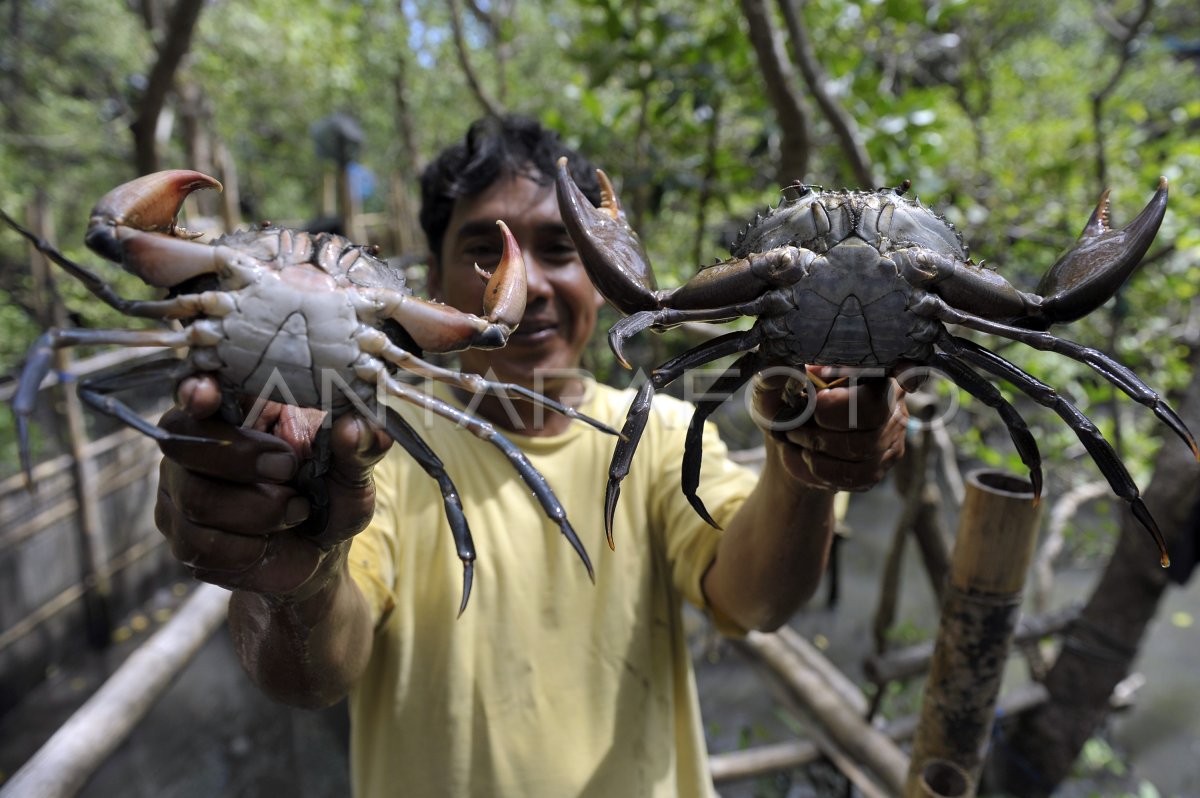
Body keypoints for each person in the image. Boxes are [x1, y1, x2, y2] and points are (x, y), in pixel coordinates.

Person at [155, 115, 908, 797]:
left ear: (605, 273)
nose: (535, 288)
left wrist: (805, 468)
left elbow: (754, 598)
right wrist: (295, 578)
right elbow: (313, 669)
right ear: (434, 286)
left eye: (563, 249)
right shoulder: (366, 445)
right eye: (488, 251)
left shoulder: (661, 432)